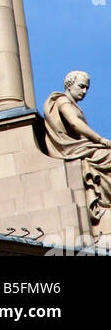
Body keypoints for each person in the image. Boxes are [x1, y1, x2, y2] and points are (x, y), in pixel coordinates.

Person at [44, 71, 111, 237]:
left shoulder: (72, 104)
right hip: (72, 148)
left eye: (87, 88)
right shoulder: (63, 101)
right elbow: (74, 123)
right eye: (81, 86)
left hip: (82, 146)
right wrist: (99, 138)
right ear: (69, 85)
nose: (84, 91)